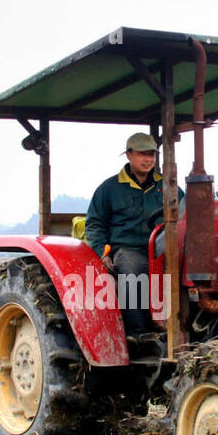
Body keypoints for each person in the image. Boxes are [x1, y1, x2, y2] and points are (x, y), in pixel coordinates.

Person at [84, 132, 181, 335]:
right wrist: (103, 252)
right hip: (127, 248)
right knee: (132, 272)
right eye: (142, 154)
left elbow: (185, 212)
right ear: (129, 155)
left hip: (163, 247)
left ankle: (179, 327)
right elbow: (94, 223)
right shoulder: (109, 188)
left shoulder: (167, 186)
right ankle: (138, 334)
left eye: (152, 155)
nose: (148, 160)